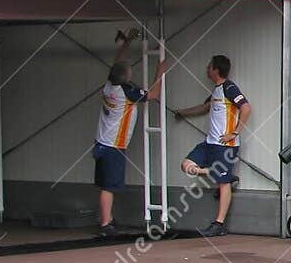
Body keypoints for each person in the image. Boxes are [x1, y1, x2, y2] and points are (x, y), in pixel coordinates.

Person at [92, 28, 170, 239]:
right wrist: (161, 70)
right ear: (125, 77)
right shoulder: (126, 92)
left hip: (101, 142)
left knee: (104, 184)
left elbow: (116, 64)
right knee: (109, 186)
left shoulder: (109, 86)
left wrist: (127, 44)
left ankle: (106, 217)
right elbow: (153, 94)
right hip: (113, 145)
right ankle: (106, 224)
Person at [174, 54, 250, 237]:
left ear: (216, 69)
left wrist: (235, 132)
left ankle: (219, 224)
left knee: (222, 183)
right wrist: (182, 112)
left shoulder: (229, 87)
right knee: (186, 165)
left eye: (209, 66)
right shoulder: (216, 91)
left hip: (226, 146)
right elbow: (204, 107)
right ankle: (218, 174)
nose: (207, 69)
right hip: (209, 143)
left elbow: (246, 108)